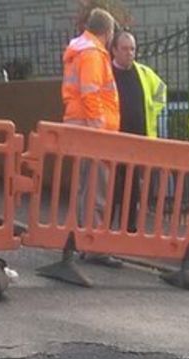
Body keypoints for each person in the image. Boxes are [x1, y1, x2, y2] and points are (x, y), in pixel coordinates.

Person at [61, 8, 122, 266]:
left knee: (84, 187)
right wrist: (100, 130)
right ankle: (93, 245)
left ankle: (80, 241)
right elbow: (91, 93)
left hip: (80, 127)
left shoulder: (79, 50)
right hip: (93, 130)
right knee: (96, 189)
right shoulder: (93, 53)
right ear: (107, 33)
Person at [110, 31, 166, 232]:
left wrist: (152, 109)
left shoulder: (142, 72)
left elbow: (161, 91)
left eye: (132, 49)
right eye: (124, 49)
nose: (129, 53)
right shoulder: (108, 73)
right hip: (113, 140)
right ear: (115, 50)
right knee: (111, 187)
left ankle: (129, 227)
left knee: (132, 187)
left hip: (137, 141)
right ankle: (106, 228)